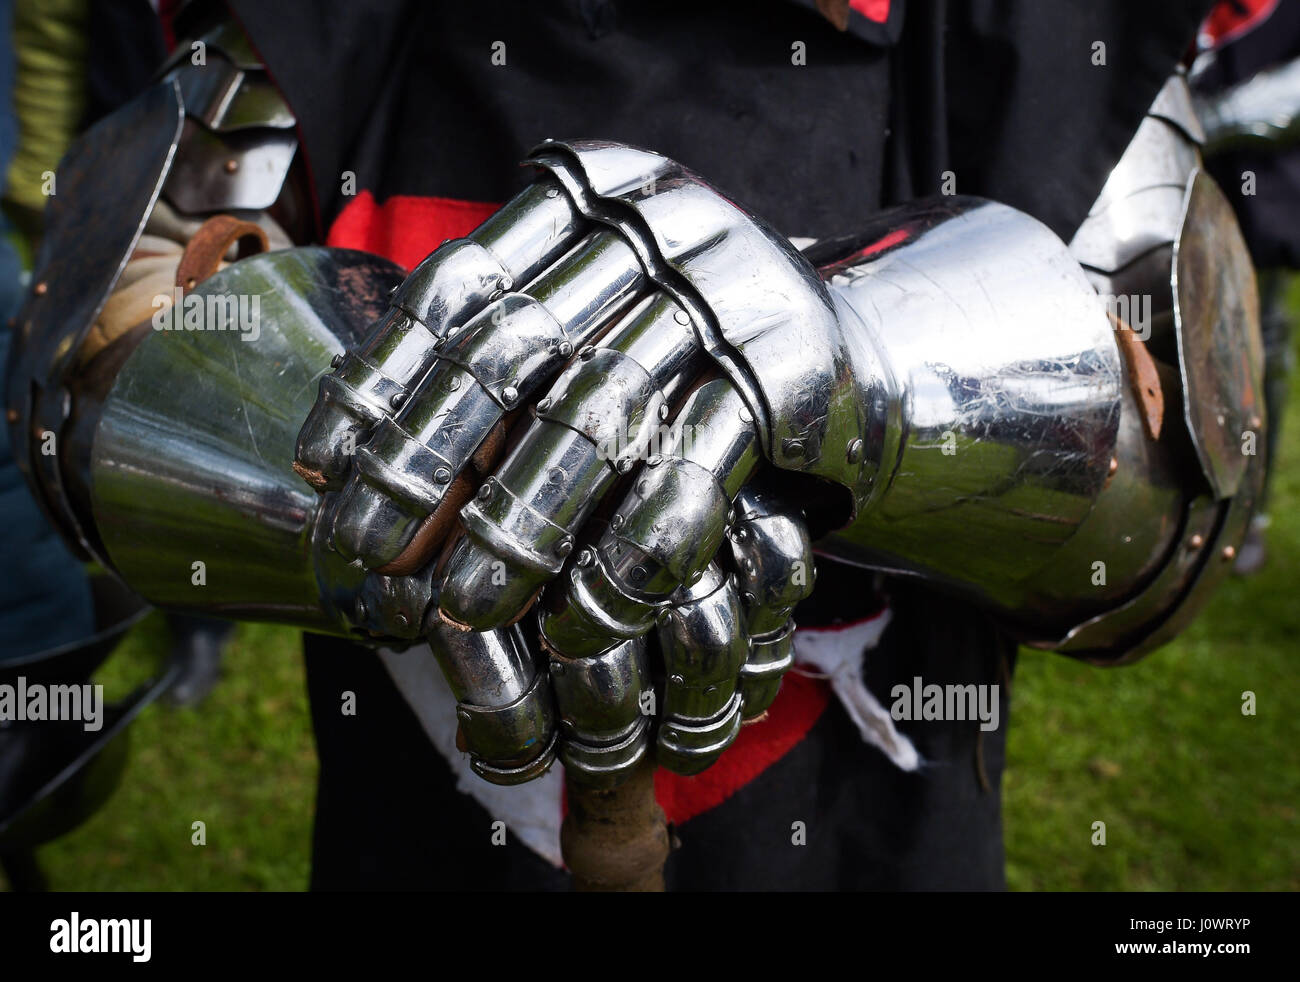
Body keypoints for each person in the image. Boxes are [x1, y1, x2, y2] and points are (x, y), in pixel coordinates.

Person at [5, 0, 1263, 891]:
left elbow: (1178, 499)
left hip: (853, 815)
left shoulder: (1014, 29)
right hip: (430, 794)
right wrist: (402, 471)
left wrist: (854, 375)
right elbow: (86, 382)